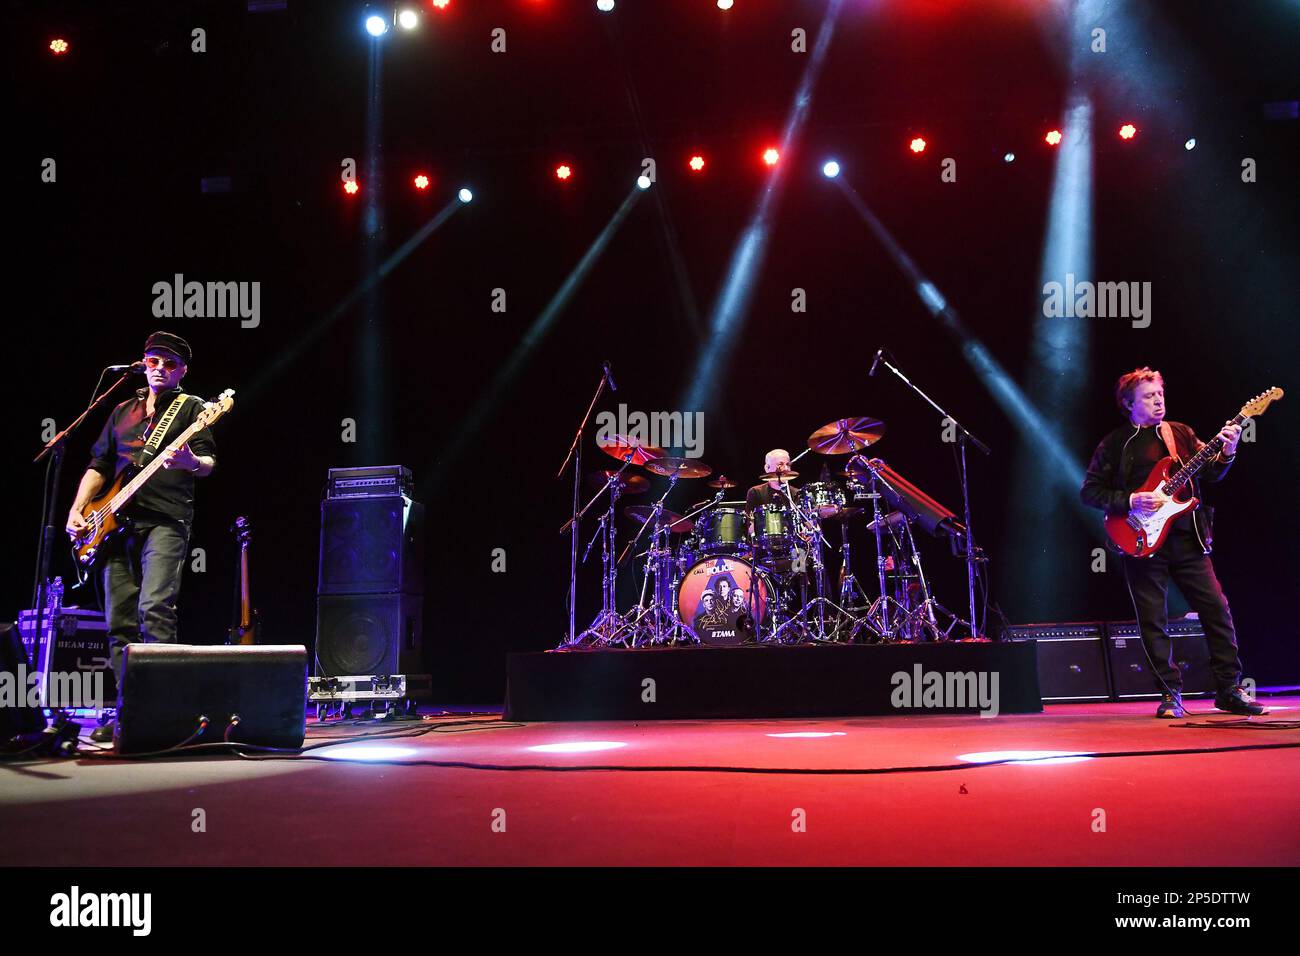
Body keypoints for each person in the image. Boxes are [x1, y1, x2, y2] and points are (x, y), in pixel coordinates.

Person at [1080, 367, 1263, 718]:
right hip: (1141, 540)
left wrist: (1227, 452)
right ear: (1128, 404)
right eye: (1149, 396)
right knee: (1153, 620)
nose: (1158, 400)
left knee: (1217, 610)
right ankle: (1169, 694)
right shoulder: (1116, 443)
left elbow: (1210, 473)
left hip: (1188, 540)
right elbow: (1089, 492)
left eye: (1160, 393)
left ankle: (1229, 689)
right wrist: (1130, 500)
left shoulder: (1178, 433)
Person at [66, 332, 217, 742]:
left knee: (154, 609)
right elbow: (99, 463)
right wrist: (79, 509)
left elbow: (208, 463)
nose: (160, 369)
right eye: (154, 361)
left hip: (166, 520)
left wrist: (190, 461)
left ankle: (165, 713)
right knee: (119, 623)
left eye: (170, 364)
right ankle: (127, 712)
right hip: (112, 525)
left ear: (182, 371)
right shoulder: (121, 410)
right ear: (143, 363)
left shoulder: (193, 408)